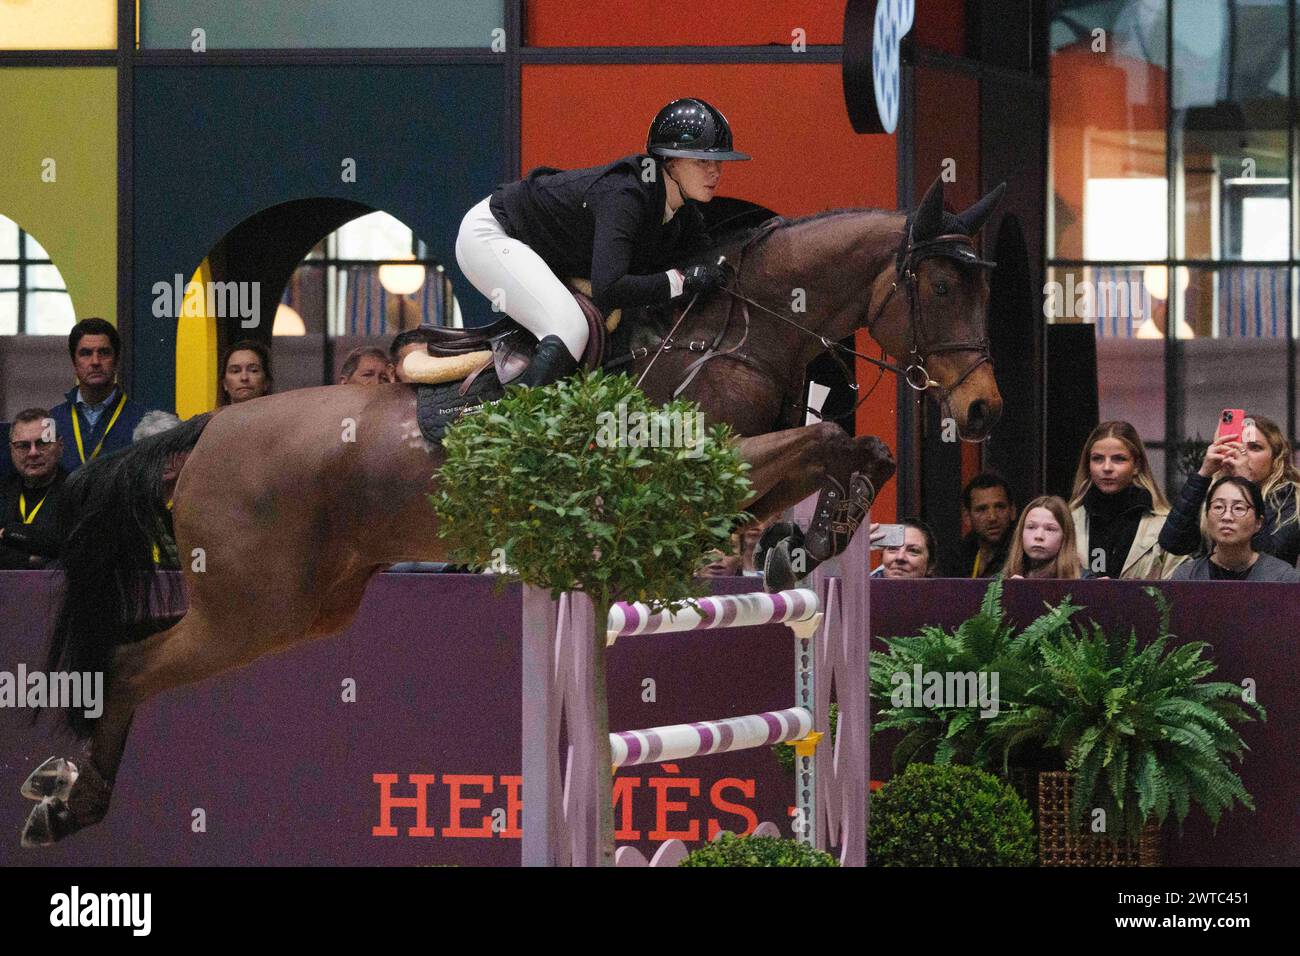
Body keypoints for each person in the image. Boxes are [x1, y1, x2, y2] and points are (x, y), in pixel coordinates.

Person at [454, 97, 747, 388]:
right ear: (669, 162)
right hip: (491, 235)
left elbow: (706, 261)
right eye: (702, 161)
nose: (716, 171)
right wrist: (681, 281)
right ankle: (515, 428)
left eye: (719, 162)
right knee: (569, 328)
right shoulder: (626, 196)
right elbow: (609, 288)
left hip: (535, 246)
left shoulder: (684, 213)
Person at [1160, 414, 1300, 567]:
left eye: (1255, 447)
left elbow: (1273, 561)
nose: (1241, 454)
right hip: (1213, 586)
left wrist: (1246, 484)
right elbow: (1172, 543)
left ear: (1275, 457)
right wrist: (1203, 474)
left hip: (1267, 590)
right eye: (1234, 445)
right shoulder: (1211, 494)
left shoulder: (1293, 498)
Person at [1069, 420, 1186, 579]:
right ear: (1088, 465)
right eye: (1097, 459)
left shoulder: (1164, 526)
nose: (1107, 468)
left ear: (1136, 465)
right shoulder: (1068, 521)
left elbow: (1179, 591)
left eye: (1119, 459)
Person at [49, 317, 148, 472]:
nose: (95, 361)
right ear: (74, 363)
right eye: (86, 353)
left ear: (116, 361)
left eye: (104, 353)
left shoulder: (143, 421)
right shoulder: (52, 421)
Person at [1171, 477, 1300, 582]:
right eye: (1218, 507)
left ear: (1258, 523)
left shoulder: (1284, 578)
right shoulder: (1186, 577)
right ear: (1207, 517)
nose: (1227, 517)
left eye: (1239, 508)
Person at [0, 408, 68, 569]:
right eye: (22, 446)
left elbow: (67, 546)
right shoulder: (2, 492)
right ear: (11, 450)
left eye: (42, 443)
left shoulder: (79, 493)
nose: (33, 453)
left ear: (60, 446)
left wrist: (7, 532)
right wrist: (31, 559)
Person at [942, 473, 1016, 578]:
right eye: (982, 509)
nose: (992, 517)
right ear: (967, 517)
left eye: (1000, 507)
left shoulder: (1024, 555)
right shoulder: (959, 557)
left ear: (1012, 511)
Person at [1001, 495, 1083, 580]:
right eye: (1031, 527)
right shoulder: (999, 582)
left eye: (1050, 529)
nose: (1039, 536)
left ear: (1065, 537)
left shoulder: (1085, 581)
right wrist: (1009, 591)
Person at [870, 518, 939, 579]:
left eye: (913, 550)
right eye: (893, 548)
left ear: (930, 564)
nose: (900, 557)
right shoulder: (862, 590)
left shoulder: (945, 592)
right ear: (882, 556)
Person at [219, 339, 273, 406]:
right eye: (236, 371)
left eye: (253, 370)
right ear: (225, 383)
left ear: (266, 382)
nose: (244, 377)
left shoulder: (281, 416)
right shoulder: (211, 416)